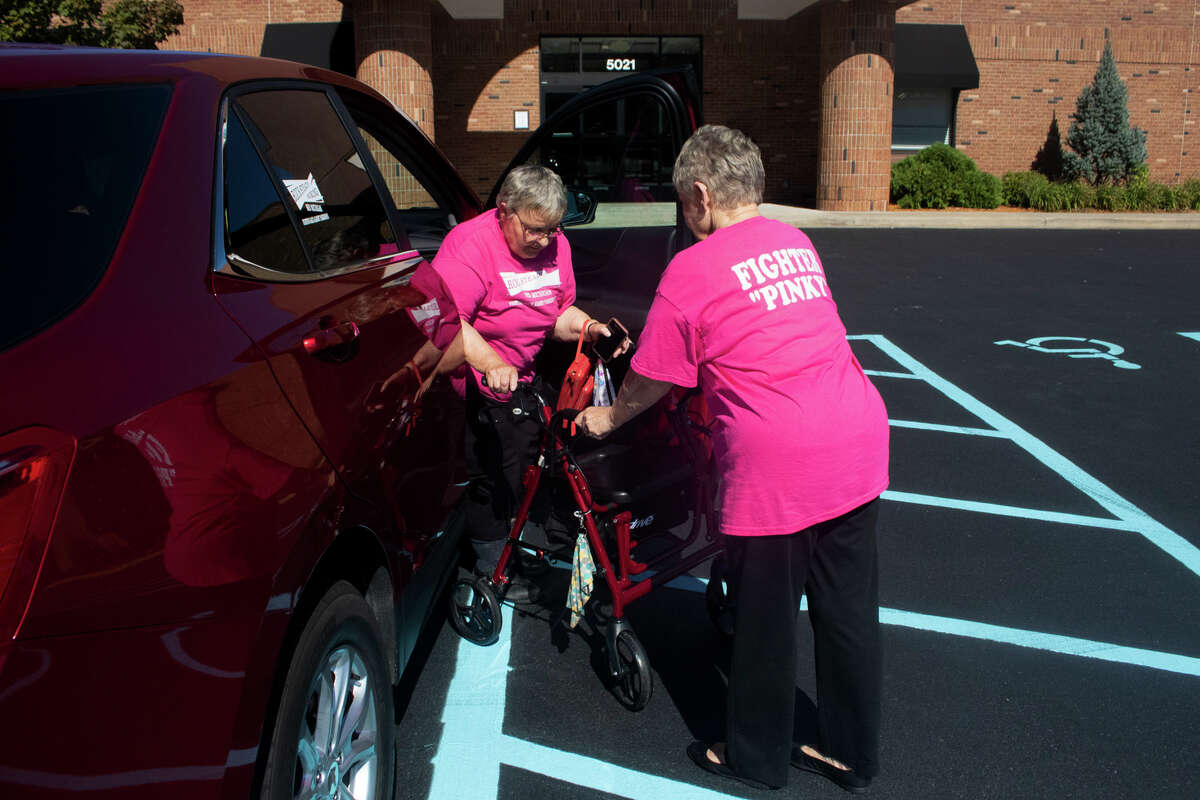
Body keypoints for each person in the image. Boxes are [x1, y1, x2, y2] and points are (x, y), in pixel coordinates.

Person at [576, 125, 889, 793]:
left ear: (700, 195)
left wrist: (605, 416)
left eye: (682, 204)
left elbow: (654, 375)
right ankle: (852, 754)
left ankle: (755, 756)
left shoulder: (692, 267)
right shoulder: (796, 242)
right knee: (848, 615)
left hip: (780, 460)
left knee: (766, 621)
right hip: (858, 436)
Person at [431, 165, 626, 604]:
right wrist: (492, 363)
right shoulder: (469, 247)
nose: (544, 240)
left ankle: (519, 537)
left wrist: (591, 328)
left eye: (553, 230)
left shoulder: (557, 246)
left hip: (523, 374)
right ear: (505, 212)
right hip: (476, 377)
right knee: (494, 473)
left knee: (536, 459)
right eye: (535, 230)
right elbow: (450, 324)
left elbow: (557, 314)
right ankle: (490, 564)